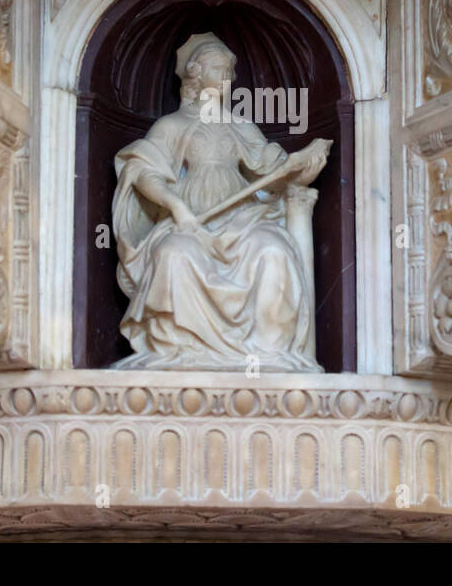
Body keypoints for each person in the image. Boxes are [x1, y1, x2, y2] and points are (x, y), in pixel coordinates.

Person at [111, 33, 329, 372]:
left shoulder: (241, 125)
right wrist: (177, 207)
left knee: (273, 250)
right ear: (196, 73)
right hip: (191, 221)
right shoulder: (172, 125)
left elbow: (276, 172)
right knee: (172, 254)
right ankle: (177, 351)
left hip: (241, 220)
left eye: (230, 71)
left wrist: (302, 167)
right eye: (219, 70)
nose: (228, 78)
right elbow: (142, 172)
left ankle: (268, 353)